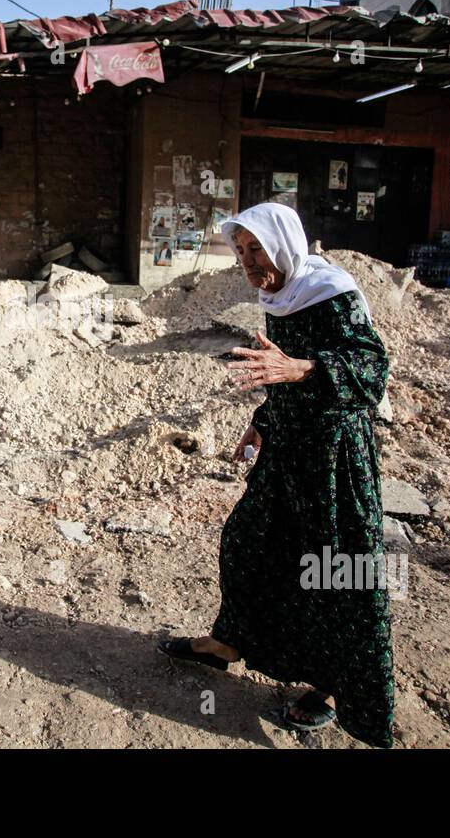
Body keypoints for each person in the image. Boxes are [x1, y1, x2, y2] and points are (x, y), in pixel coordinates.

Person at [157, 202, 395, 748]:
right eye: (240, 251)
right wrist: (263, 422)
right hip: (287, 449)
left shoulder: (332, 291)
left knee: (334, 571)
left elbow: (371, 369)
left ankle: (334, 690)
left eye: (256, 248)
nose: (247, 260)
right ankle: (228, 645)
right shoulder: (278, 296)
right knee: (247, 540)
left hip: (334, 461)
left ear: (284, 243)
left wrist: (303, 368)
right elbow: (277, 369)